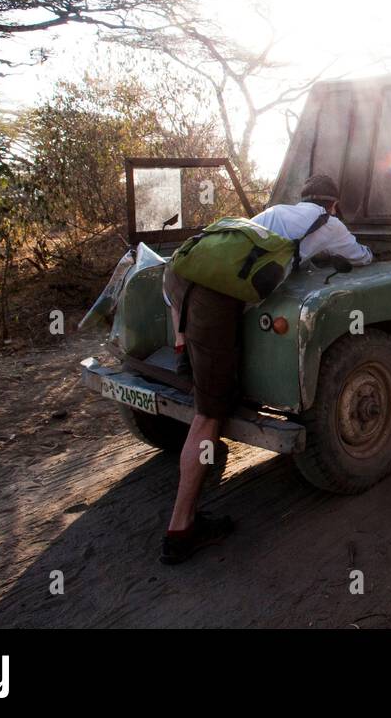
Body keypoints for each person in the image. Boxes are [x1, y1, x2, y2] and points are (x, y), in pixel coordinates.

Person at [159, 173, 372, 564]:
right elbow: (361, 257)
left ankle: (186, 355)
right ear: (334, 205)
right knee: (209, 417)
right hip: (210, 301)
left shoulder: (275, 212)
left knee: (208, 388)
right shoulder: (330, 224)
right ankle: (181, 530)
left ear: (302, 196)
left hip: (179, 279)